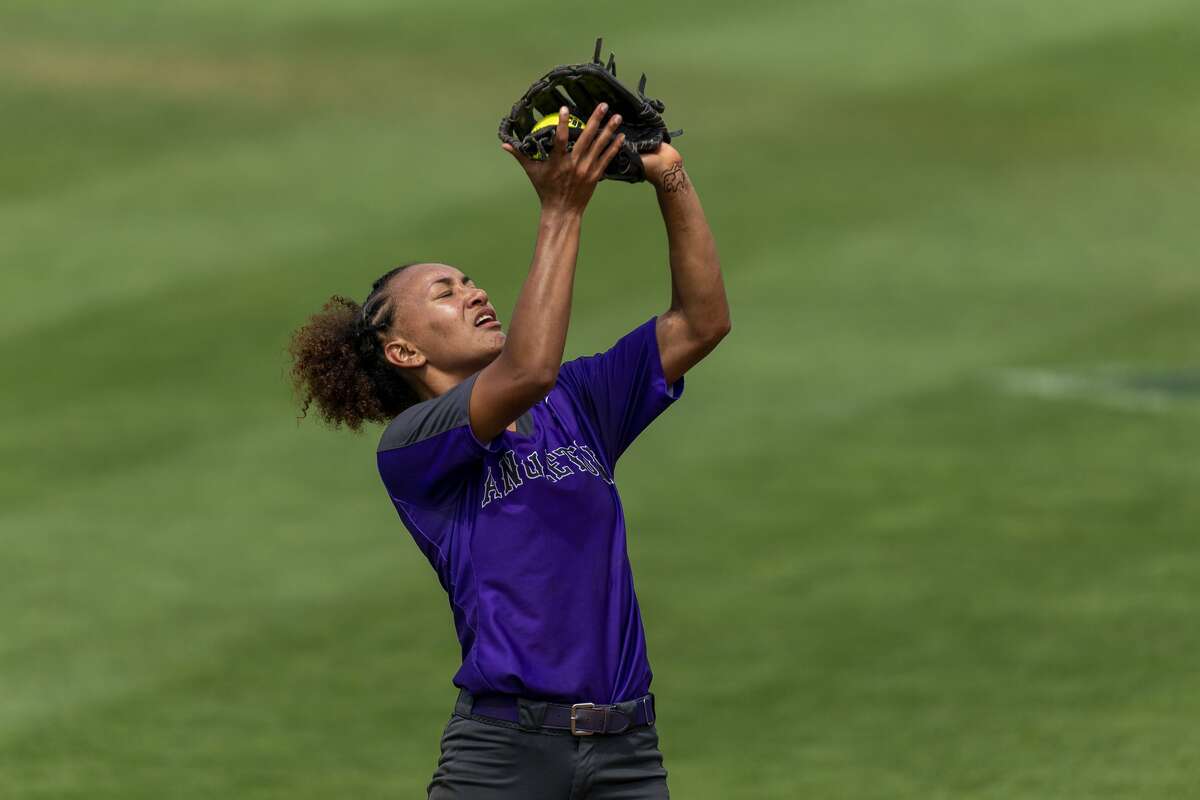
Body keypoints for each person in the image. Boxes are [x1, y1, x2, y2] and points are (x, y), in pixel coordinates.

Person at [288, 102, 730, 799]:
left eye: (469, 281)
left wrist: (669, 175)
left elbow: (701, 323)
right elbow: (527, 371)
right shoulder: (415, 446)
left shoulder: (577, 404)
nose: (475, 293)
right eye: (446, 292)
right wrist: (561, 208)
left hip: (628, 754)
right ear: (403, 351)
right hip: (503, 758)